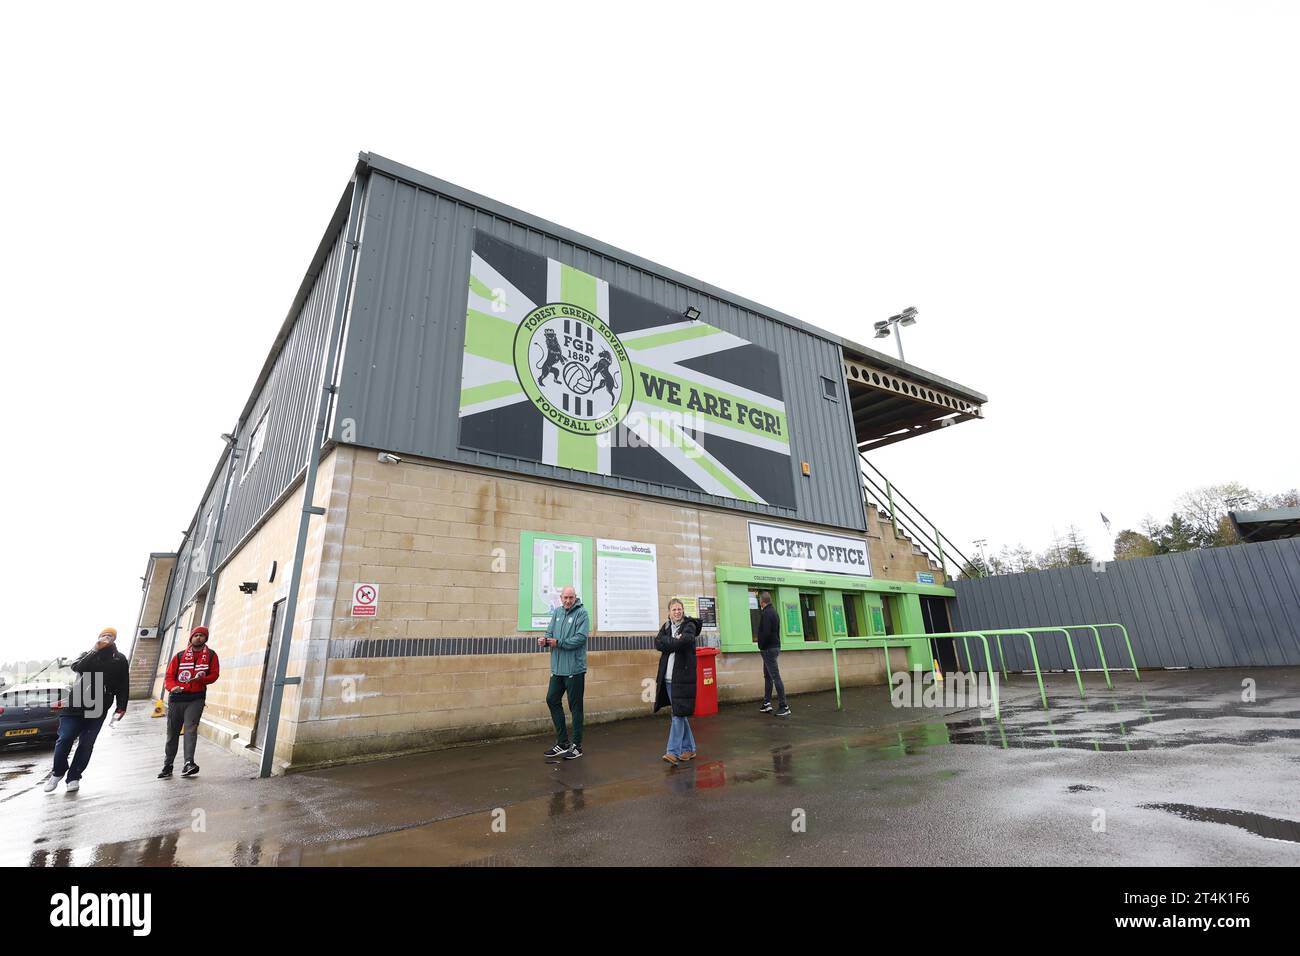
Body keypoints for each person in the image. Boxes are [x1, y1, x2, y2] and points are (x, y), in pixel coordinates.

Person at [43, 627, 130, 793]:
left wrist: (121, 706)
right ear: (98, 637)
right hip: (75, 704)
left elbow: (123, 684)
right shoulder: (88, 653)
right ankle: (58, 772)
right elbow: (78, 667)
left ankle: (74, 777)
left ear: (115, 640)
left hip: (99, 706)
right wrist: (95, 650)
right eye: (104, 635)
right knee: (65, 738)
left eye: (110, 636)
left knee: (86, 743)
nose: (106, 637)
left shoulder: (119, 659)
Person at [159, 625, 220, 779]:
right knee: (172, 733)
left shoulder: (211, 655)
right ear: (191, 638)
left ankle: (188, 763)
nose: (198, 637)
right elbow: (169, 677)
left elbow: (214, 674)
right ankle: (168, 765)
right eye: (196, 635)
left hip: (196, 698)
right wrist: (173, 688)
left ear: (206, 638)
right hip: (176, 699)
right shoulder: (179, 656)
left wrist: (202, 679)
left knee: (190, 729)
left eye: (202, 635)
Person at [538, 586, 588, 760]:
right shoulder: (557, 612)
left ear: (575, 598)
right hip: (557, 669)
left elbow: (581, 638)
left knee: (575, 707)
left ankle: (577, 745)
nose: (568, 600)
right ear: (560, 597)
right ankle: (563, 742)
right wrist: (545, 640)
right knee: (552, 699)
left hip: (574, 669)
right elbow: (549, 632)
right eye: (565, 597)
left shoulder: (582, 614)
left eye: (571, 597)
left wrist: (558, 642)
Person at [654, 598, 701, 765]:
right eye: (674, 609)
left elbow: (686, 640)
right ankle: (689, 748)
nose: (677, 612)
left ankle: (672, 752)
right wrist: (674, 642)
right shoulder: (666, 627)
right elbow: (658, 643)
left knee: (677, 715)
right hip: (667, 679)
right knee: (679, 714)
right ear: (669, 612)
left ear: (683, 610)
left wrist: (670, 643)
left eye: (679, 609)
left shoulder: (689, 625)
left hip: (682, 679)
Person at [756, 591, 790, 717]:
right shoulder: (774, 612)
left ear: (762, 602)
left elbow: (765, 633)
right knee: (768, 676)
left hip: (768, 649)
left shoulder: (766, 613)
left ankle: (784, 706)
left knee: (775, 676)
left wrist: (761, 646)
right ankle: (767, 703)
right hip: (774, 646)